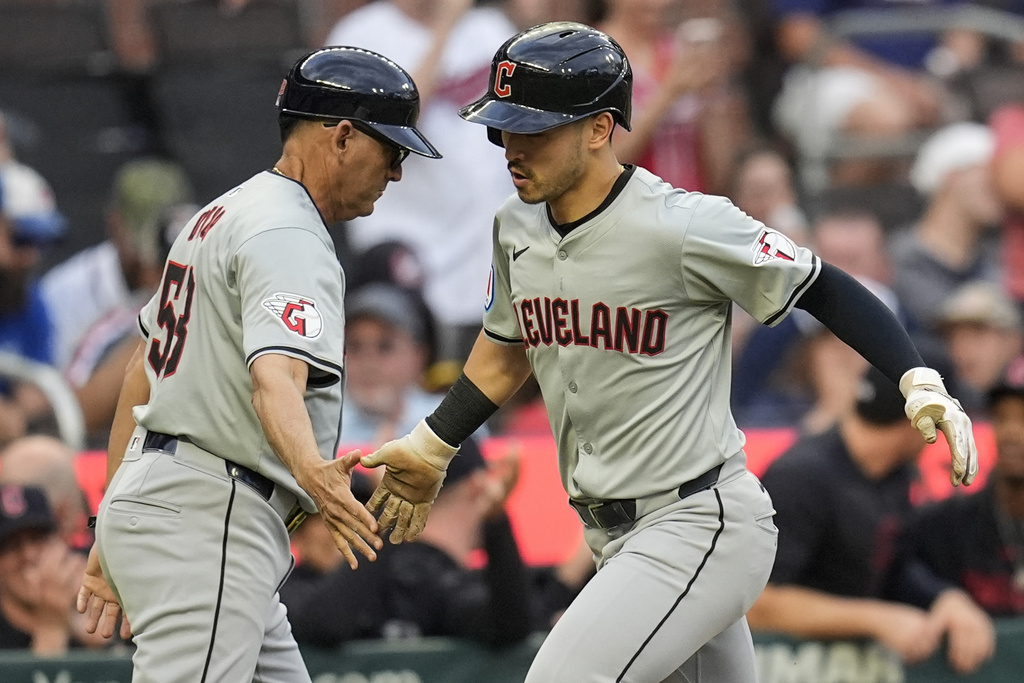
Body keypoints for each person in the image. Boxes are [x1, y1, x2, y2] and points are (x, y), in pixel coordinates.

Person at [358, 22, 979, 682]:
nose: (512, 146)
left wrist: (914, 374)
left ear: (599, 128)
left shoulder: (681, 224)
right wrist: (435, 442)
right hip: (613, 533)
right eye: (503, 127)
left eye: (534, 130)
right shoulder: (515, 225)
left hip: (698, 520)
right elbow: (507, 352)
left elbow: (820, 284)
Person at [75, 46, 442, 682]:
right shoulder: (289, 233)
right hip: (210, 514)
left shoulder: (219, 215)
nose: (397, 172)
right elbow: (274, 379)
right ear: (344, 137)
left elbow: (141, 375)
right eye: (392, 151)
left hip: (175, 500)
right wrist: (316, 475)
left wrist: (112, 519)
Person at [746, 364, 994, 674]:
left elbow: (893, 565)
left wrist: (944, 598)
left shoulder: (894, 473)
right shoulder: (800, 476)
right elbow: (757, 604)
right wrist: (876, 619)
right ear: (922, 421)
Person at [324, 0, 517, 362]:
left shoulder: (490, 28)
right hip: (407, 256)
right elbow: (398, 123)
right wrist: (445, 27)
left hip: (488, 259)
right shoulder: (360, 36)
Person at [897, 353, 1024, 625]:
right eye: (1002, 418)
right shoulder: (946, 523)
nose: (1012, 433)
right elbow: (896, 569)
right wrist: (943, 597)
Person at [41, 158, 195, 374]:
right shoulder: (64, 292)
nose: (155, 262)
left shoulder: (197, 270)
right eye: (145, 246)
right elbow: (59, 388)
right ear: (115, 224)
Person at [890, 121, 1004, 337]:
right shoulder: (900, 259)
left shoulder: (994, 258)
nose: (1001, 185)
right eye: (990, 172)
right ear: (953, 175)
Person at [0, 162, 66, 445]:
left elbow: (36, 399)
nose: (31, 256)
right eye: (21, 239)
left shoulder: (29, 297)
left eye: (40, 242)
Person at [0, 483, 88, 655]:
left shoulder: (97, 589)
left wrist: (101, 642)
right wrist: (52, 626)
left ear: (61, 540)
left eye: (37, 538)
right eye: (12, 546)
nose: (29, 555)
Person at [935, 280, 1023, 415]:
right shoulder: (938, 402)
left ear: (1013, 341)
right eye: (952, 337)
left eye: (978, 333)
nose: (962, 349)